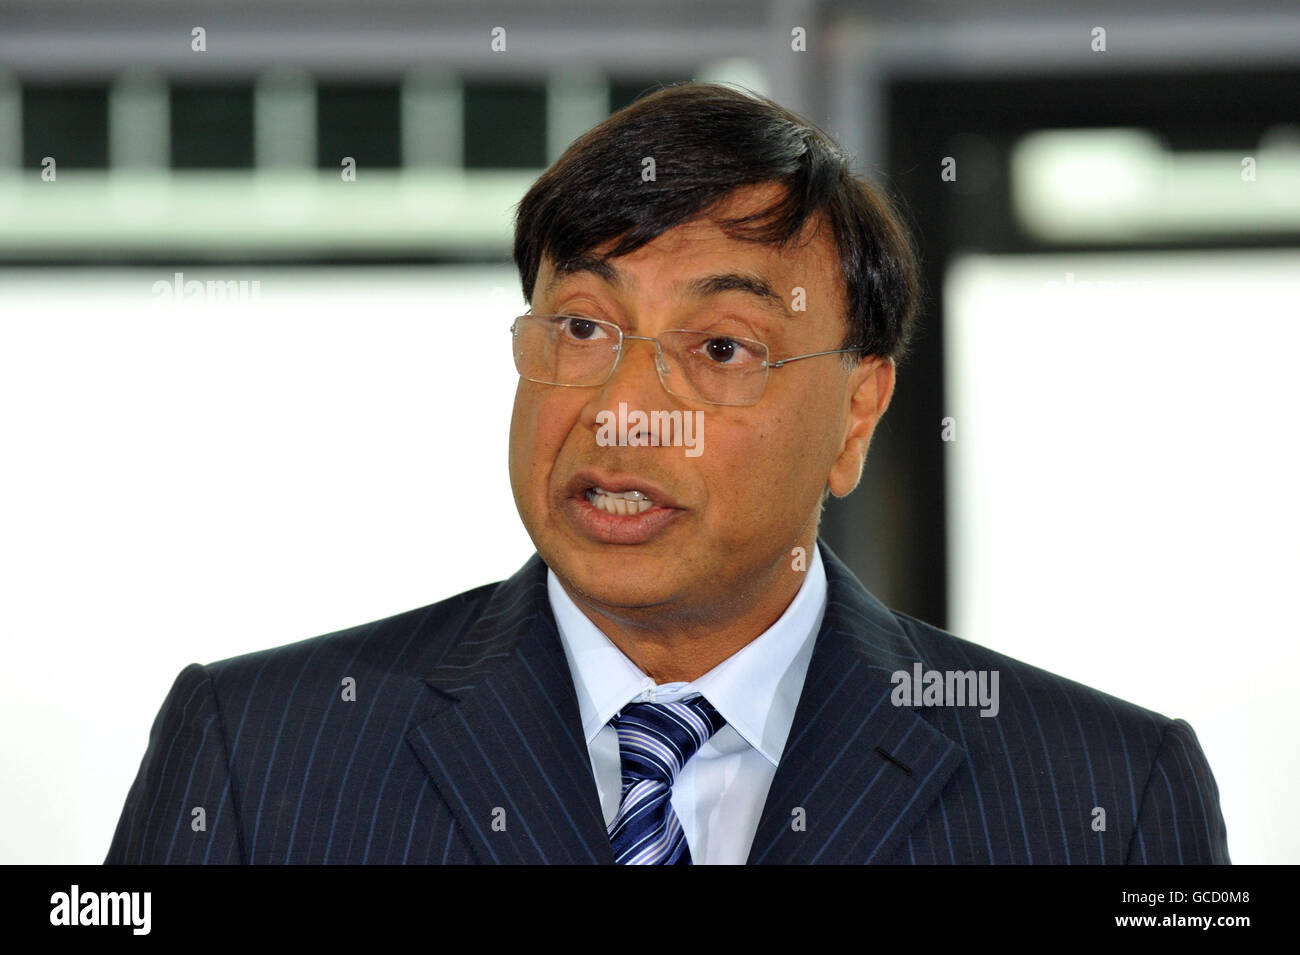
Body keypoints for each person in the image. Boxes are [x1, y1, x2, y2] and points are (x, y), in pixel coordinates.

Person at [105, 82, 1229, 865]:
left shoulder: (1101, 791)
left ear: (856, 412)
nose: (623, 409)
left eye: (721, 349)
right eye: (582, 328)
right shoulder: (260, 753)